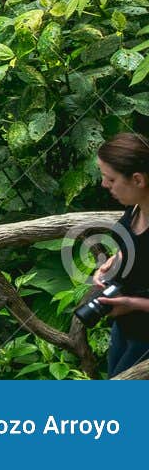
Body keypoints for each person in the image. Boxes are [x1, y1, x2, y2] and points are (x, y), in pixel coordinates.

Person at [92, 131, 149, 377]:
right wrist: (114, 261)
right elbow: (138, 246)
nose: (104, 185)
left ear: (138, 179)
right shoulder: (136, 208)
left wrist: (131, 303)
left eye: (111, 179)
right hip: (125, 327)